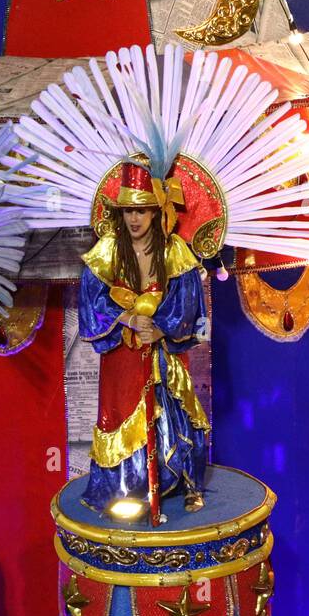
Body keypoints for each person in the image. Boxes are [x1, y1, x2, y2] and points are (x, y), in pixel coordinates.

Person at [78, 159, 210, 517]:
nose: (134, 219)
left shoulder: (173, 251)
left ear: (156, 212)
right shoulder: (107, 251)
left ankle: (185, 485)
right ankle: (126, 490)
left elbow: (190, 305)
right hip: (121, 356)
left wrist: (161, 327)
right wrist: (128, 319)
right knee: (121, 417)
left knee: (175, 417)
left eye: (142, 211)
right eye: (128, 212)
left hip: (163, 355)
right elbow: (91, 303)